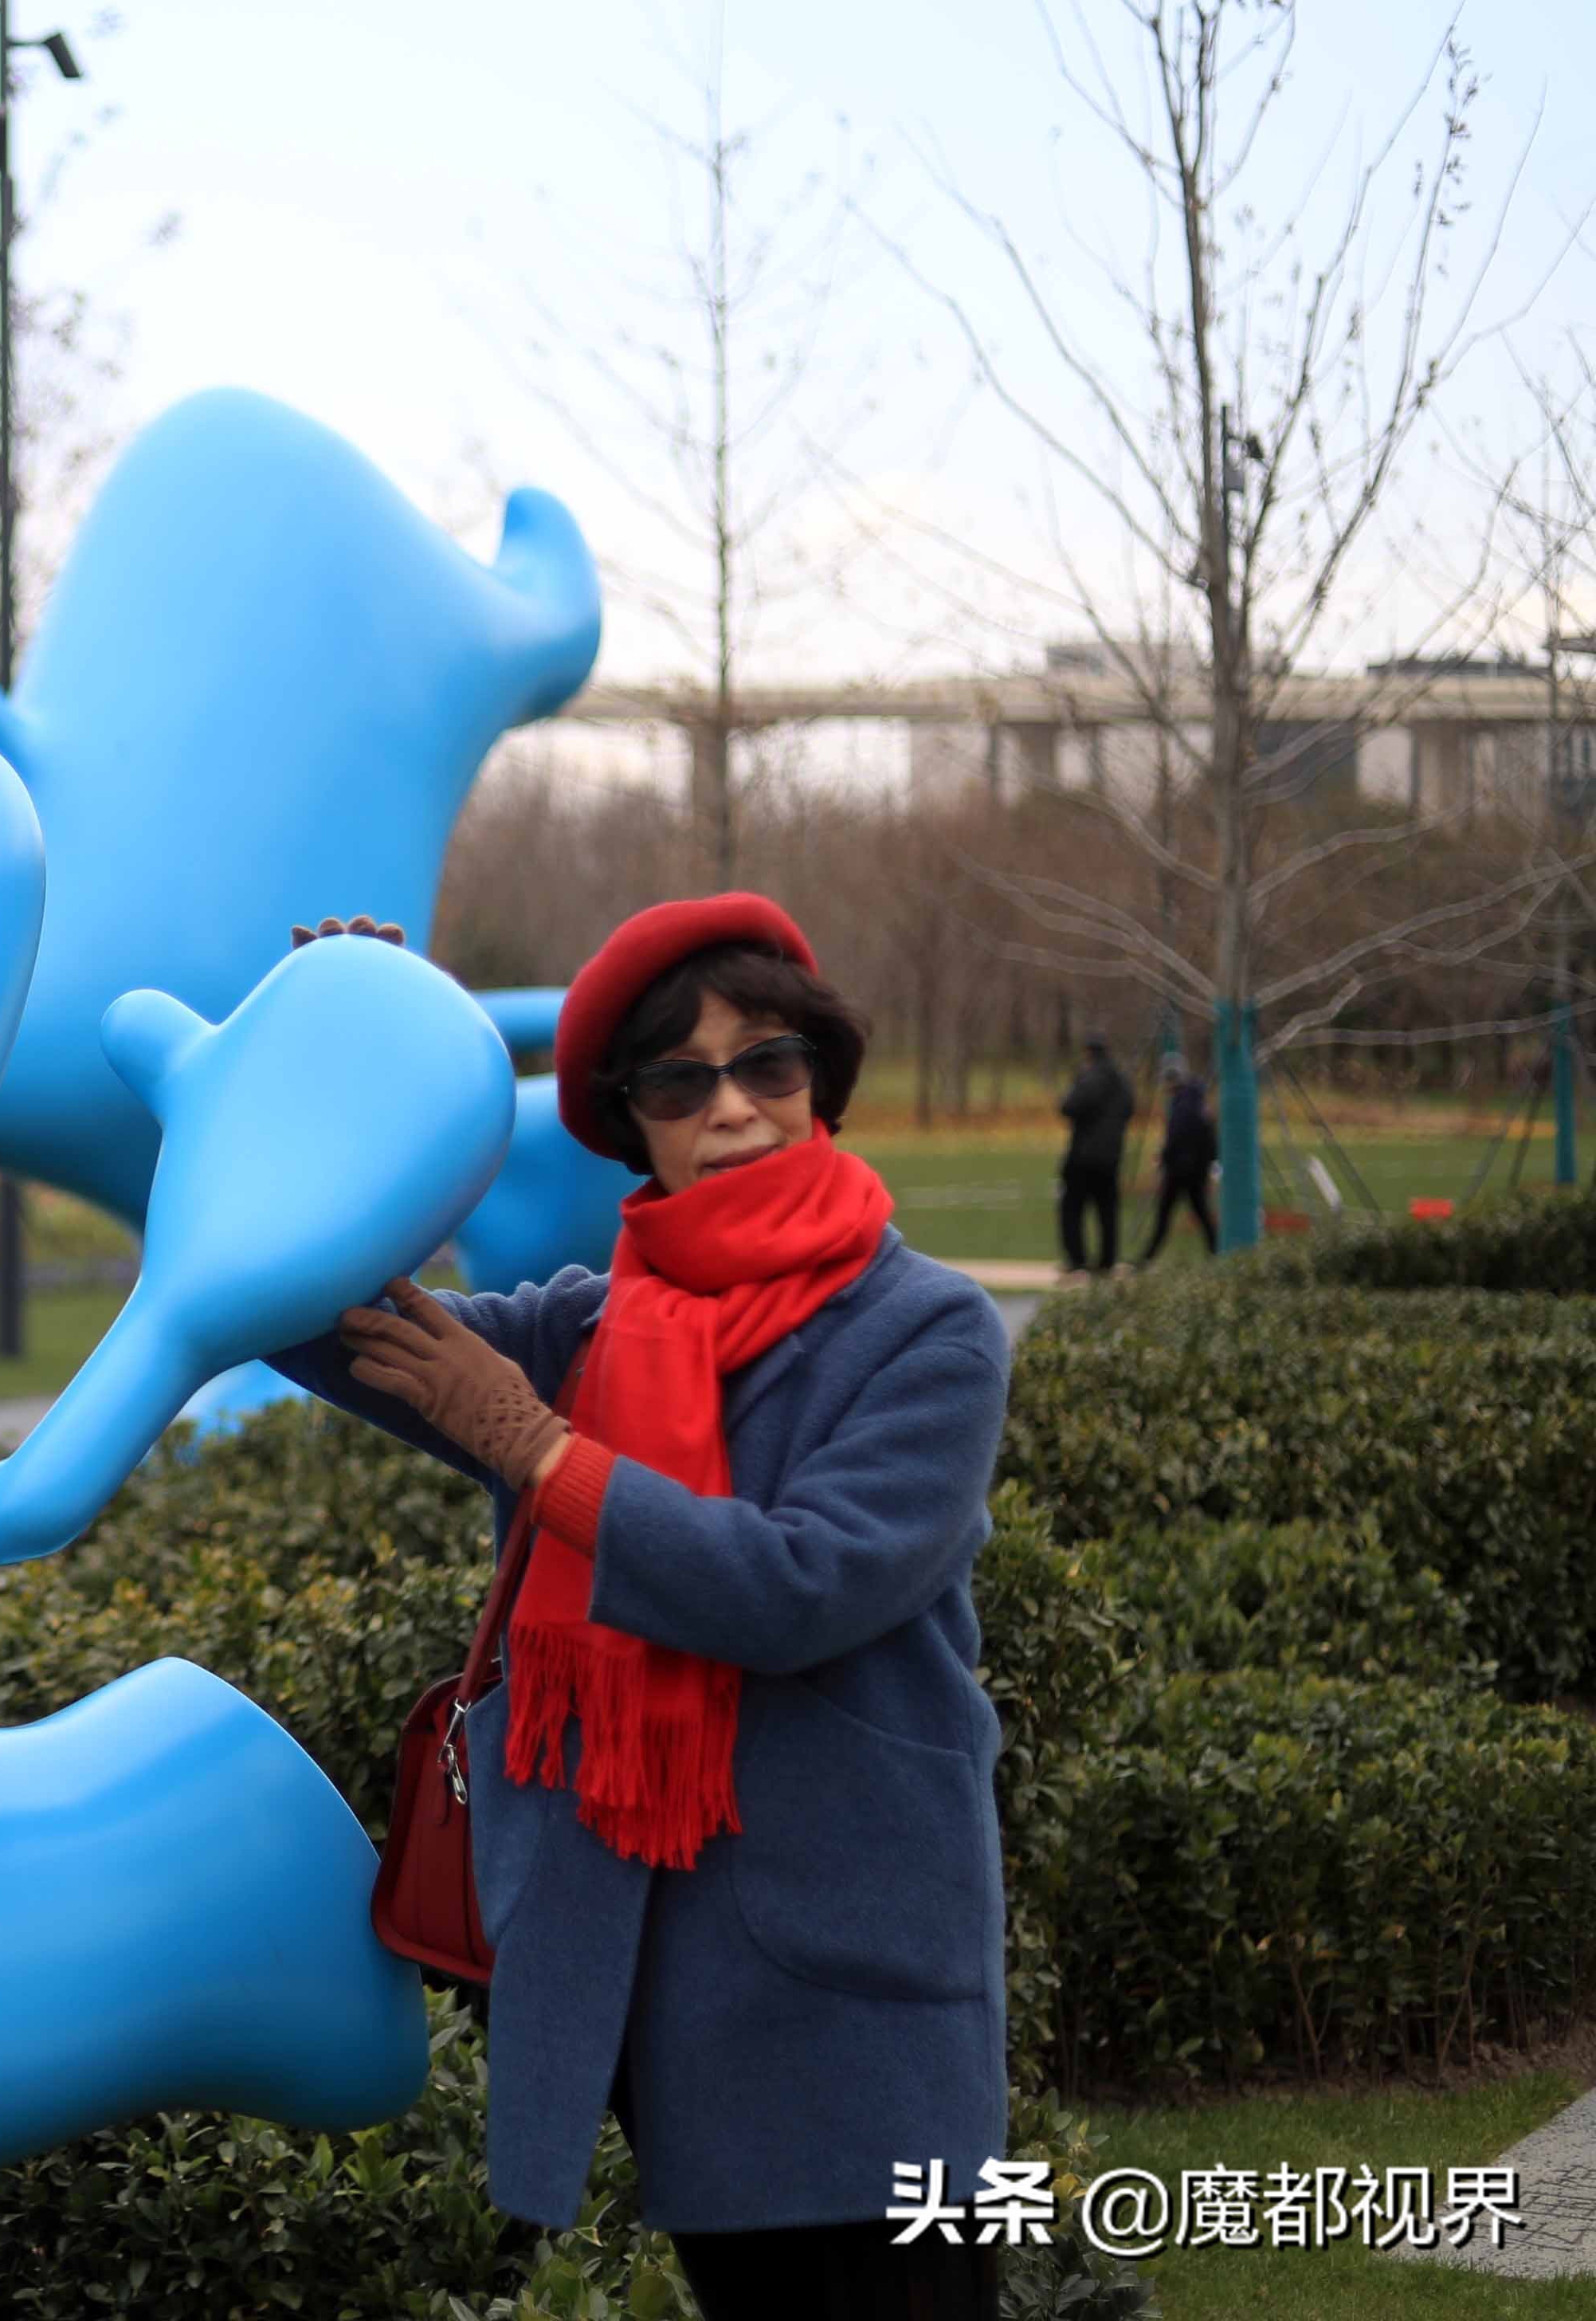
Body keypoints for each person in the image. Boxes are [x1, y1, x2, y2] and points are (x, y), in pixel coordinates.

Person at [267, 894, 1012, 2321]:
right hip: (675, 1995)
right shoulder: (586, 1326)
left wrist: (537, 1451)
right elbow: (316, 1316)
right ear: (632, 1122)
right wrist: (338, 1067)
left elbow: (798, 1585)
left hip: (862, 1994)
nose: (729, 1105)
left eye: (767, 1064)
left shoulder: (927, 1329)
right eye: (679, 1080)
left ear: (821, 1082)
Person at [1055, 1039, 1134, 1280]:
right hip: (1111, 1155)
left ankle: (1077, 1259)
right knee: (1107, 1210)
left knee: (1072, 1208)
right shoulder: (1121, 1081)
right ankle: (1107, 1261)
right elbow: (1129, 1109)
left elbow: (1068, 1107)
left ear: (1088, 1054)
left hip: (1083, 1155)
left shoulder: (1089, 1078)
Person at [1139, 1062, 1218, 1262]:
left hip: (1182, 1169)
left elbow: (1177, 1136)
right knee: (1200, 1213)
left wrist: (1164, 1157)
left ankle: (1147, 1258)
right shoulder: (1196, 1101)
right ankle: (1216, 1253)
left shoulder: (1184, 1104)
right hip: (1194, 1168)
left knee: (1166, 1213)